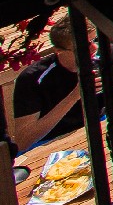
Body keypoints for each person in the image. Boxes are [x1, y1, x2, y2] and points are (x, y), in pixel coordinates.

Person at [5, 16, 81, 150]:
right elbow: (22, 141)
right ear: (59, 51)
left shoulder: (110, 56)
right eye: (81, 48)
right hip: (47, 145)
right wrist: (75, 96)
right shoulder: (33, 78)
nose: (94, 48)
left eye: (94, 40)